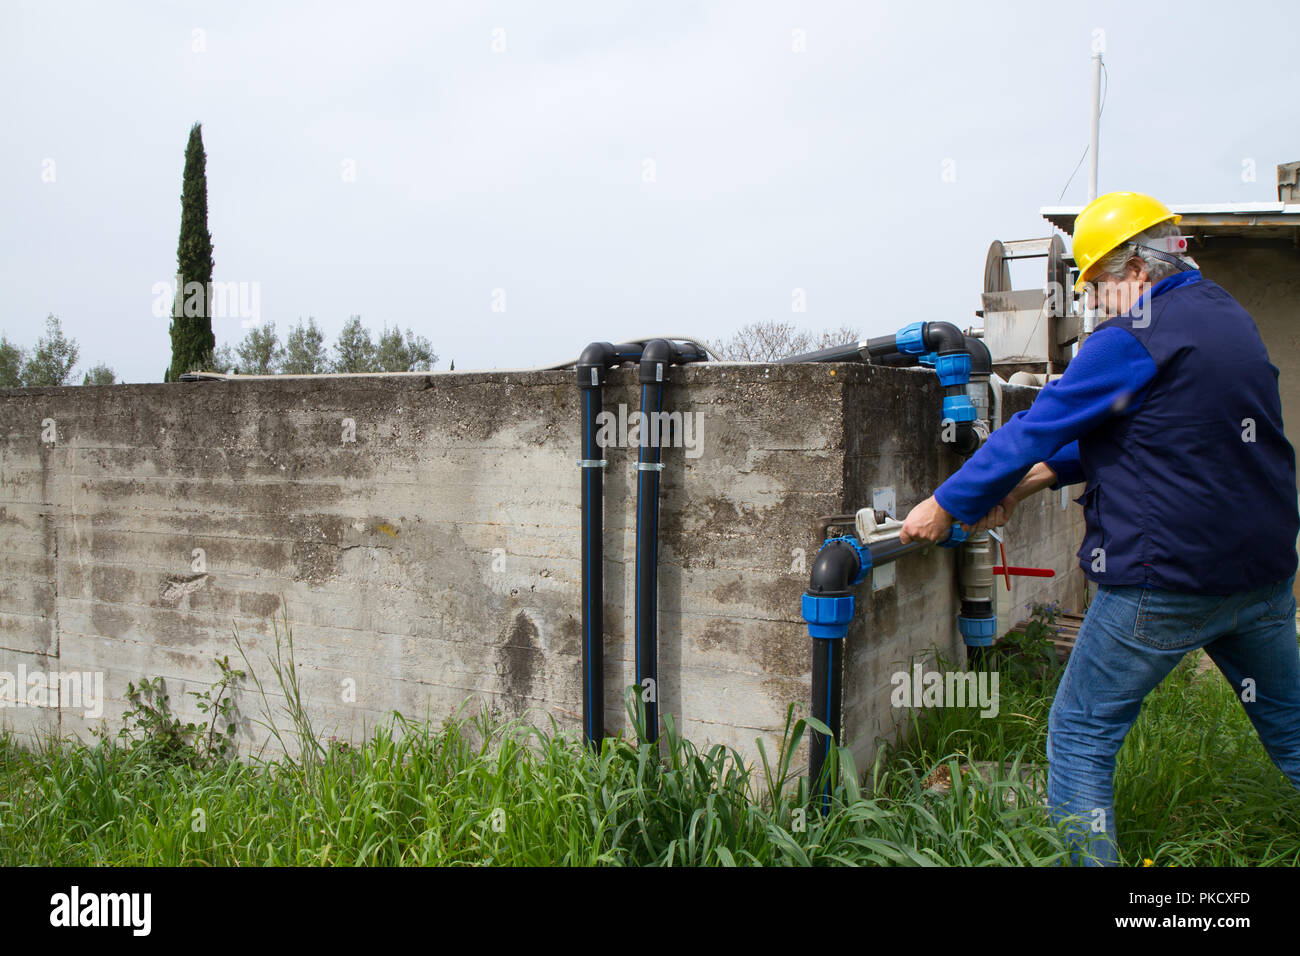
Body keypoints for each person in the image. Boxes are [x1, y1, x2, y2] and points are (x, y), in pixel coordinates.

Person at [899, 190, 1300, 865]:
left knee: (1082, 733)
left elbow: (1037, 425)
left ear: (1134, 273)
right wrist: (1028, 485)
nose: (1093, 306)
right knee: (1291, 728)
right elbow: (1155, 432)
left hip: (1167, 579)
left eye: (1095, 288)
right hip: (1261, 577)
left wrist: (947, 503)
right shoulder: (1225, 316)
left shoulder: (1134, 332)